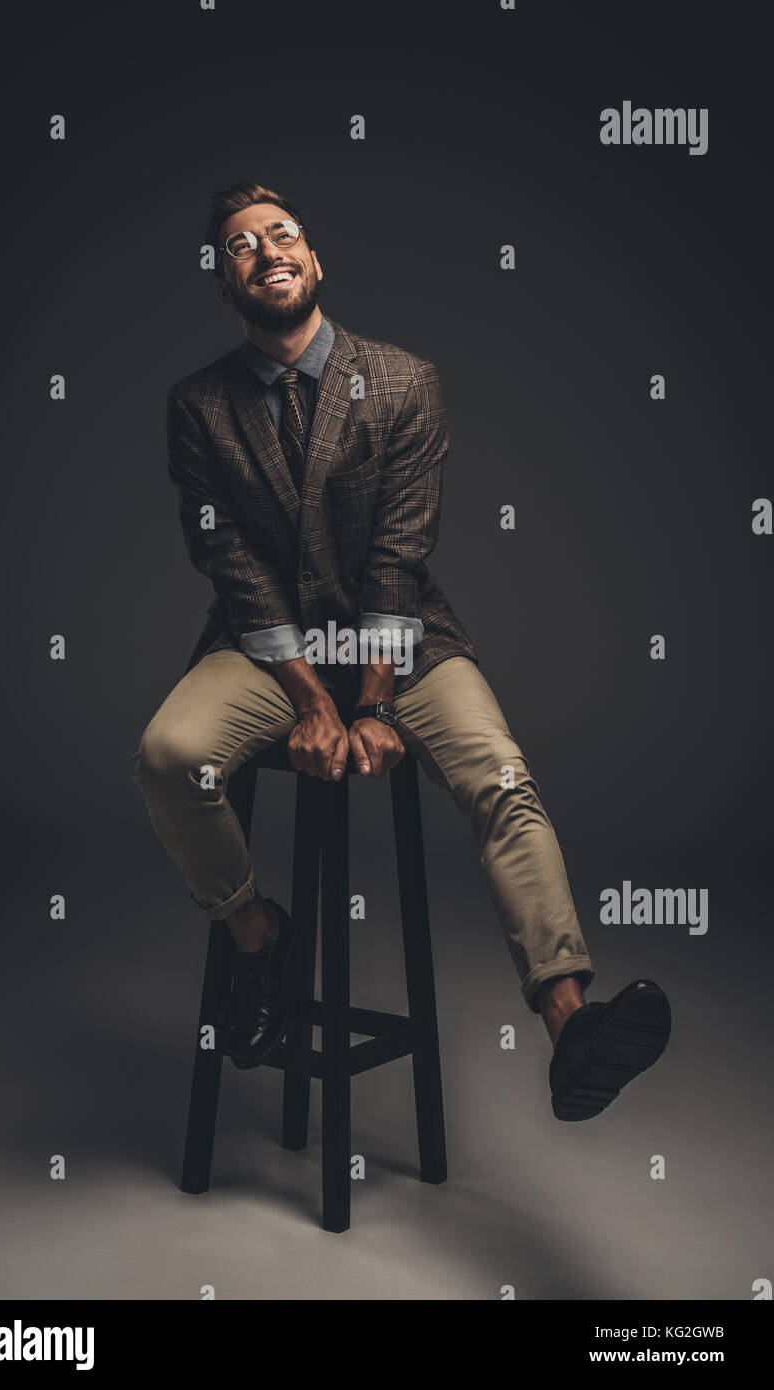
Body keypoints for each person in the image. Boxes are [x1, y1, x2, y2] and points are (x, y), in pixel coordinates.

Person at [133, 181, 671, 1120]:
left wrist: (374, 703)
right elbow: (230, 561)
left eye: (283, 233)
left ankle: (569, 1020)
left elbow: (397, 553)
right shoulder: (198, 406)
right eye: (240, 245)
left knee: (502, 779)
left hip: (403, 648)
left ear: (315, 258)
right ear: (226, 286)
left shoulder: (406, 380)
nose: (267, 249)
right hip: (269, 653)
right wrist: (309, 698)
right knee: (170, 756)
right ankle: (260, 938)